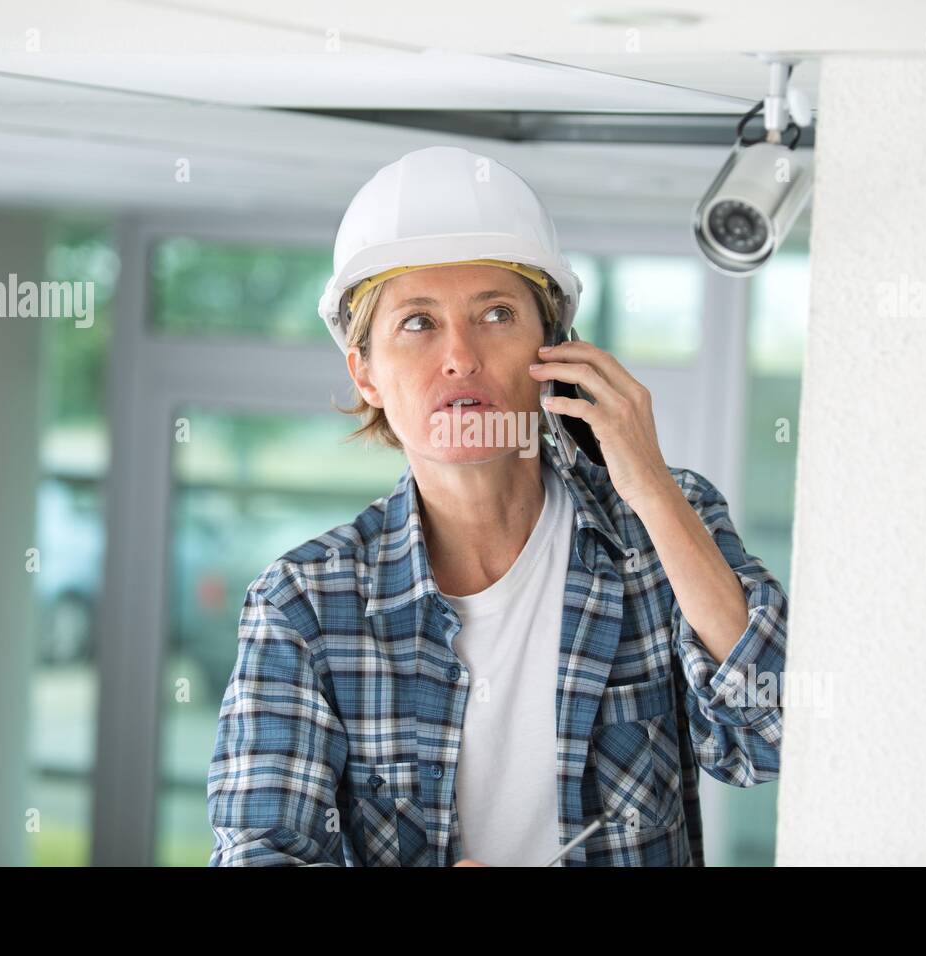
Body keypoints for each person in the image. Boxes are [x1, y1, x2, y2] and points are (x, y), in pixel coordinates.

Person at [206, 145, 788, 866]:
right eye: (418, 322)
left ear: (553, 349)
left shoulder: (666, 524)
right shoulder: (305, 606)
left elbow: (770, 734)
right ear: (367, 373)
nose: (460, 356)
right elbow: (261, 852)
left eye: (497, 314)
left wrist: (650, 489)